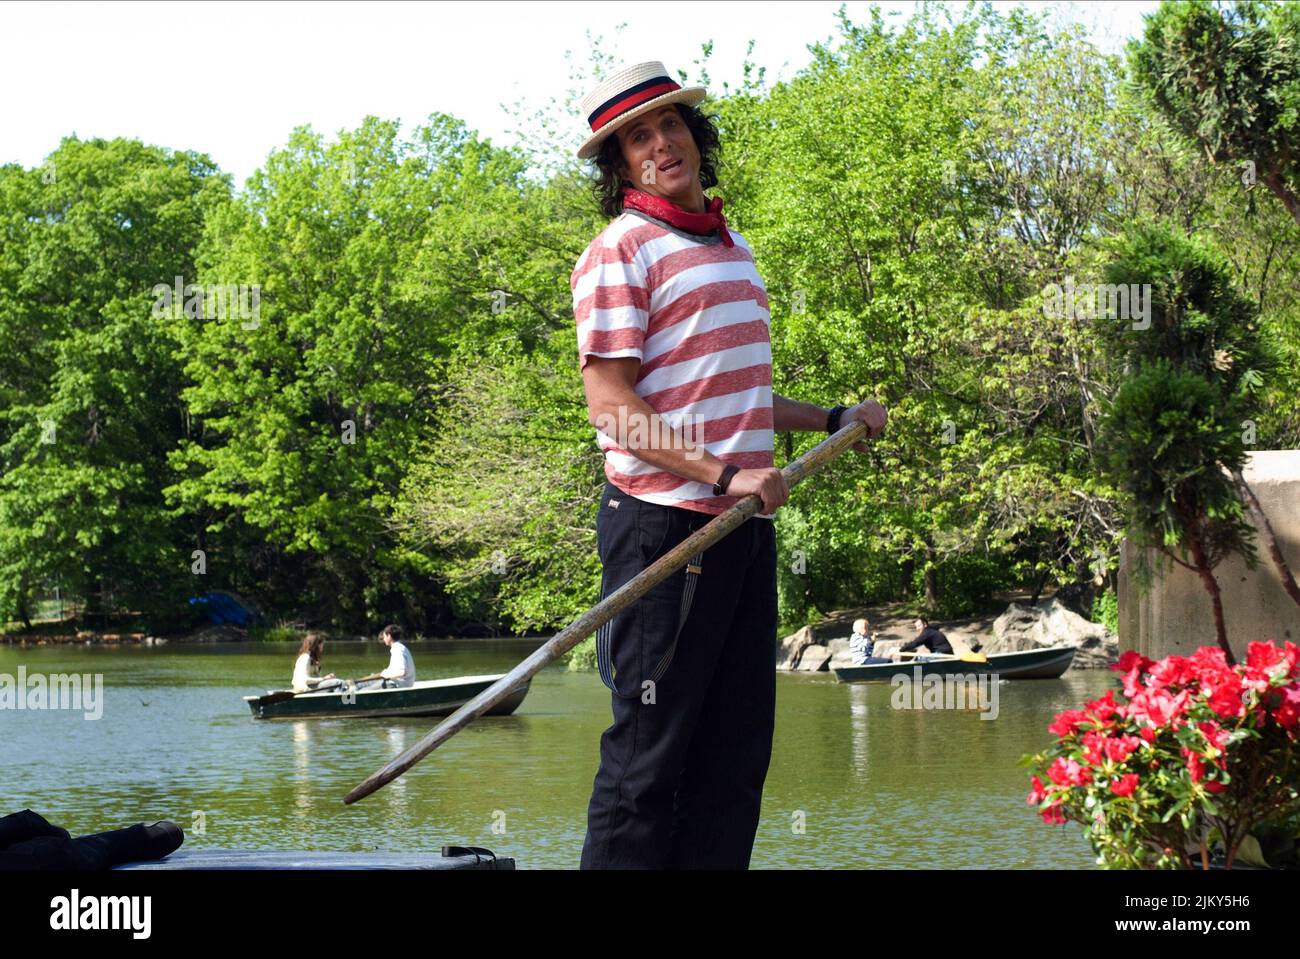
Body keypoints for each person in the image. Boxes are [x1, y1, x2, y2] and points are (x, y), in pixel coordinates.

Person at [570, 61, 888, 869]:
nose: (660, 143)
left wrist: (828, 419)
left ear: (695, 135)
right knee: (648, 762)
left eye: (670, 123)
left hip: (742, 531)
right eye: (637, 137)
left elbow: (734, 392)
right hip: (664, 534)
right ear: (618, 165)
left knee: (735, 760)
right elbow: (612, 408)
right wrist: (722, 473)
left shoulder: (729, 246)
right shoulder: (620, 251)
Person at [359, 624, 415, 689]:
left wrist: (386, 675)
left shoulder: (398, 649)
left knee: (364, 690)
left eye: (384, 636)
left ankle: (351, 695)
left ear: (389, 636)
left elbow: (402, 672)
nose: (384, 639)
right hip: (397, 682)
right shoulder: (399, 647)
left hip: (398, 685)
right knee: (364, 683)